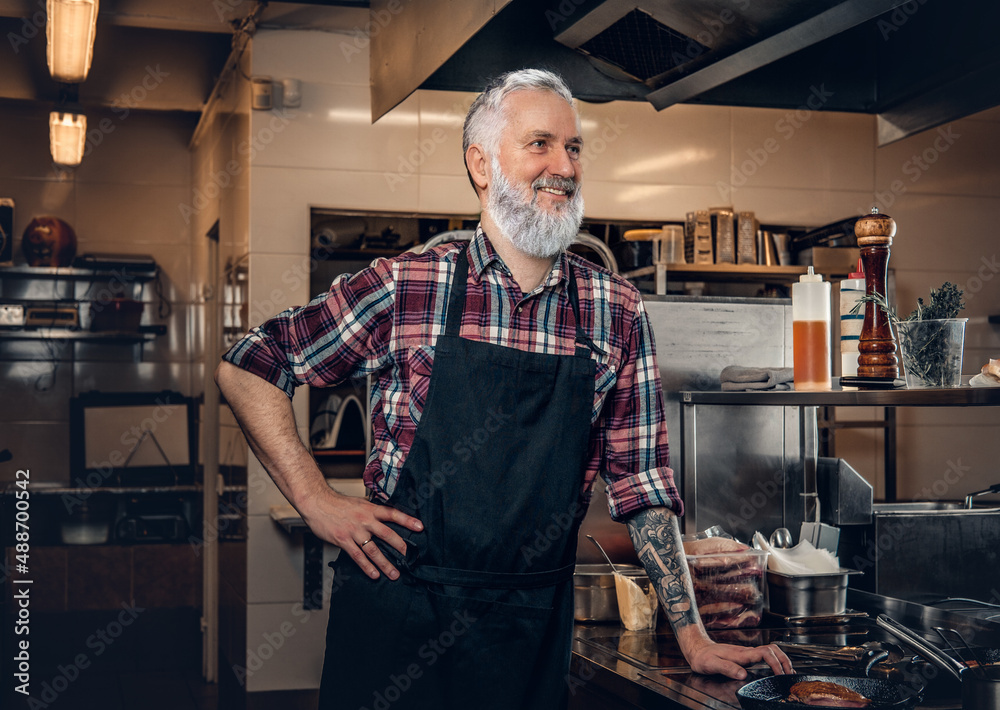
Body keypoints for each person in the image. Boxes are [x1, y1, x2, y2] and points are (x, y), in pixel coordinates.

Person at [215, 68, 792, 709]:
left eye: (574, 148)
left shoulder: (616, 309)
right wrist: (314, 499)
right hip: (398, 615)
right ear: (481, 164)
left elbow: (644, 486)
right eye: (540, 144)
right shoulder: (407, 286)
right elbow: (250, 364)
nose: (564, 166)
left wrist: (692, 635)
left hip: (529, 629)